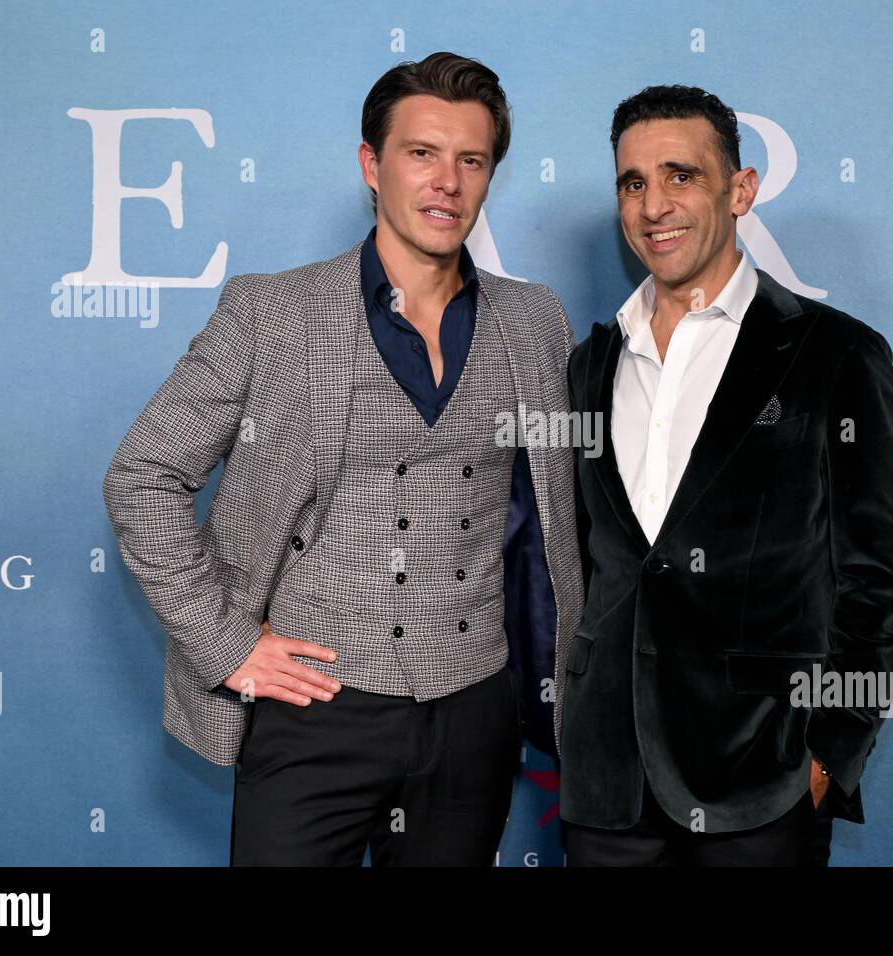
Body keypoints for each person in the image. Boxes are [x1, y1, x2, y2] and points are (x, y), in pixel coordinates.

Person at [103, 51, 582, 866]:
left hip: (475, 712)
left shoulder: (533, 321)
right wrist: (228, 645)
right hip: (315, 716)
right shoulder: (274, 312)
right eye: (422, 154)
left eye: (472, 161)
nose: (448, 183)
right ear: (372, 164)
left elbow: (558, 516)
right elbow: (141, 478)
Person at [557, 85, 893, 866]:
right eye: (633, 182)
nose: (655, 204)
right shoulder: (590, 365)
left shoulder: (836, 356)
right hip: (605, 789)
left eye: (681, 175)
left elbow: (878, 578)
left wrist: (828, 756)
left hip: (762, 785)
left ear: (741, 189)